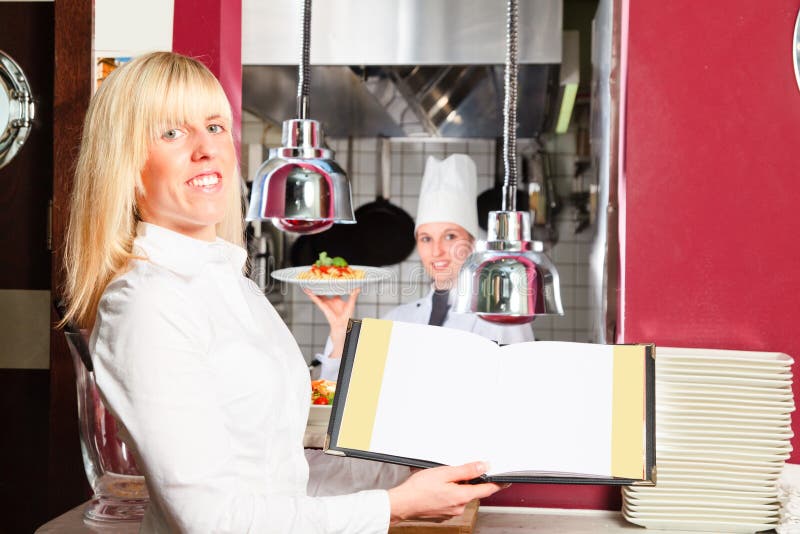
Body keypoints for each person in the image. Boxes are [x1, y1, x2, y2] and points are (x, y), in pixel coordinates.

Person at [60, 51, 502, 533]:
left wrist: (406, 477)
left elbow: (284, 472)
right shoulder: (146, 304)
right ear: (126, 165)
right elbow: (212, 520)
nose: (206, 149)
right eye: (171, 132)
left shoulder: (236, 287)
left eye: (213, 125)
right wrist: (391, 506)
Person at [309, 153, 535, 382]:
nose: (436, 251)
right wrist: (339, 334)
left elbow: (524, 396)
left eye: (450, 236)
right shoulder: (397, 320)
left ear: (472, 242)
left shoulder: (501, 319)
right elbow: (348, 395)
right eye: (426, 238)